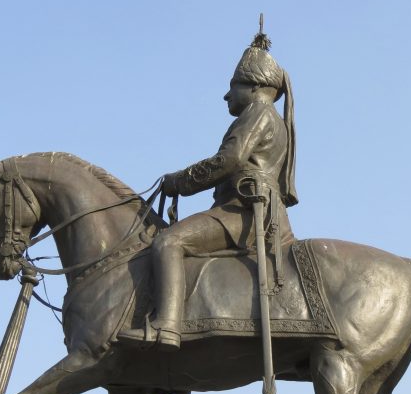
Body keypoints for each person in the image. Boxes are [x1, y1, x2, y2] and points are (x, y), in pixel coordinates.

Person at [118, 28, 297, 350]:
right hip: (252, 208)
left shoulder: (257, 112)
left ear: (256, 86)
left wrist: (181, 182)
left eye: (233, 87)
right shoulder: (270, 117)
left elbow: (229, 159)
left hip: (245, 210)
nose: (227, 96)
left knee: (168, 241)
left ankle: (167, 326)